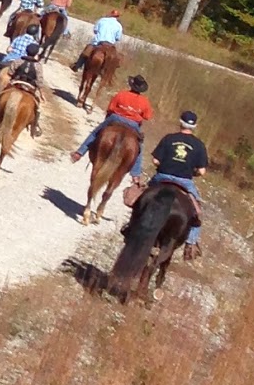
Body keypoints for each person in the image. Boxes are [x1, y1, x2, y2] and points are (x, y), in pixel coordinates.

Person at [71, 74, 153, 179]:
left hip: (116, 118)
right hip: (133, 123)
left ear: (131, 85)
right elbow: (147, 116)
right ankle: (136, 174)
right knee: (139, 147)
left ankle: (79, 153)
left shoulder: (121, 94)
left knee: (95, 132)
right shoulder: (144, 101)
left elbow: (110, 108)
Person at [148, 111, 209, 254]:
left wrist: (164, 165)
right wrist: (192, 172)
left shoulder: (169, 138)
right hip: (184, 181)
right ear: (194, 126)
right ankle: (190, 244)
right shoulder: (199, 145)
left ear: (180, 122)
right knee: (197, 212)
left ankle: (131, 226)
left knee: (142, 197)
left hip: (162, 177)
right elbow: (202, 171)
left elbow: (155, 160)